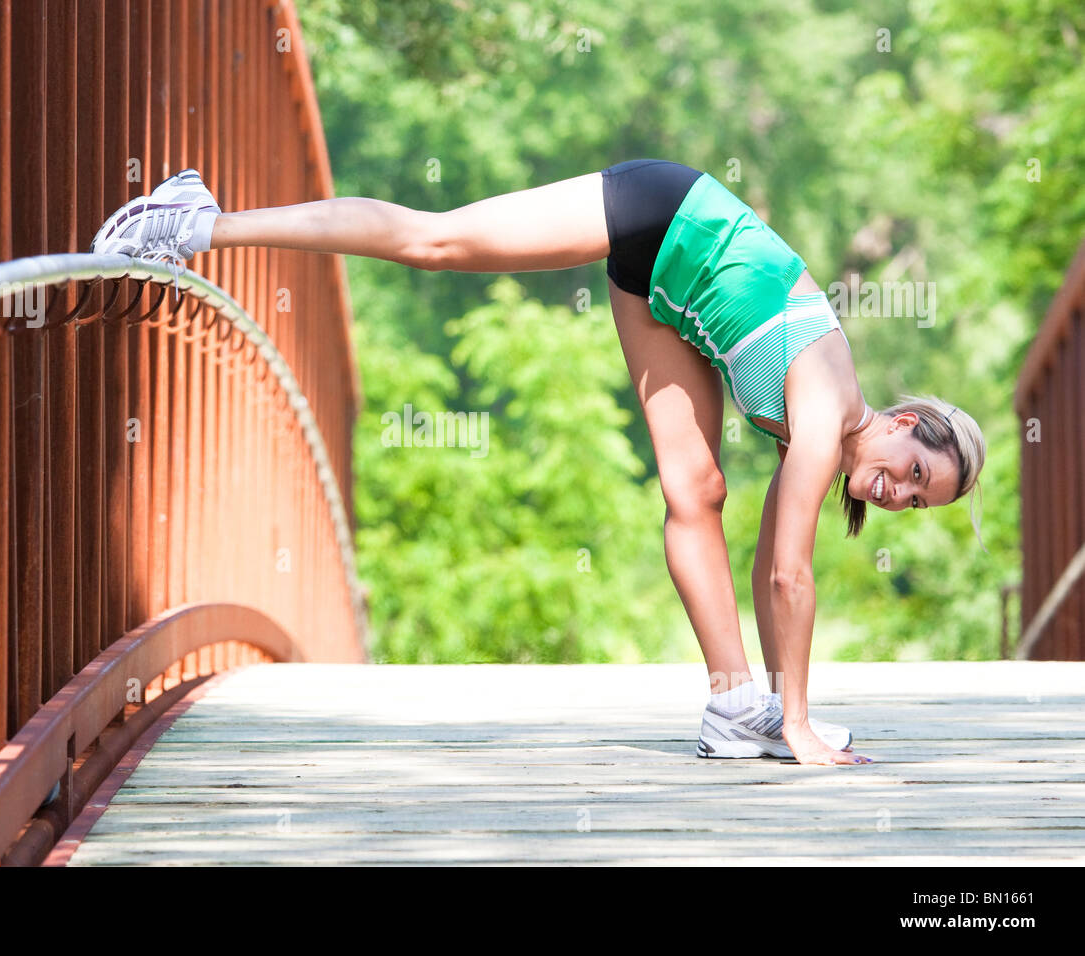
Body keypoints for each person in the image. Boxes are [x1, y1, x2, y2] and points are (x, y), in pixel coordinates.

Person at [92, 160, 987, 766]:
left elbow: (768, 563)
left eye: (916, 502)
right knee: (435, 242)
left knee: (698, 490)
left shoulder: (822, 432)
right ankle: (197, 219)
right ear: (907, 421)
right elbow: (792, 576)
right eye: (916, 470)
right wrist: (800, 727)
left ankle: (730, 705)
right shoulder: (829, 407)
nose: (900, 493)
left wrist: (779, 704)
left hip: (667, 290)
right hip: (666, 210)